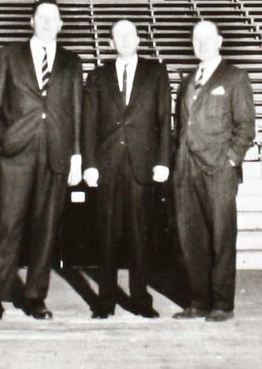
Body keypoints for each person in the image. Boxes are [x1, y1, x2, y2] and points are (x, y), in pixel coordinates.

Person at [0, 0, 84, 323]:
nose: (47, 22)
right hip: (15, 154)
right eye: (41, 17)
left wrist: (76, 156)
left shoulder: (72, 62)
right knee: (7, 226)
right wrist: (0, 136)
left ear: (61, 25)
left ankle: (35, 297)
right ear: (31, 22)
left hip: (56, 154)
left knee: (45, 229)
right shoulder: (9, 54)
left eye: (53, 18)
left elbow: (78, 111)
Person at [82, 18, 172, 319]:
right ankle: (105, 301)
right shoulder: (97, 76)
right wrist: (90, 164)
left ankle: (141, 300)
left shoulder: (156, 72)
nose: (123, 40)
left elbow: (164, 120)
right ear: (110, 43)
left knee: (140, 236)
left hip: (142, 165)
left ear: (138, 40)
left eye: (129, 34)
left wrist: (163, 161)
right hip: (107, 166)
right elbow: (88, 123)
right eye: (117, 36)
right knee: (106, 236)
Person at [172, 19, 255, 323]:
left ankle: (222, 303)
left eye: (207, 38)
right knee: (191, 238)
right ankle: (199, 301)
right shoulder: (187, 80)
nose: (202, 43)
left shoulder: (235, 77)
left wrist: (230, 160)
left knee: (221, 237)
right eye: (196, 38)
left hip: (219, 170)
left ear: (220, 41)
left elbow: (245, 125)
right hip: (186, 169)